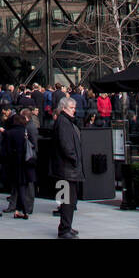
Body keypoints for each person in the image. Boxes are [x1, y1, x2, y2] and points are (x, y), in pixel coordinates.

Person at [54, 95, 83, 239]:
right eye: (72, 108)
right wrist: (74, 159)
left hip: (68, 168)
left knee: (69, 201)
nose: (74, 111)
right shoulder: (63, 122)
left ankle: (67, 227)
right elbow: (66, 145)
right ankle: (64, 229)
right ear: (64, 108)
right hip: (67, 169)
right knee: (67, 201)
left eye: (74, 108)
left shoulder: (65, 121)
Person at [4, 112, 35, 219]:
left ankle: (23, 210)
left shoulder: (9, 133)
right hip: (26, 162)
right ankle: (19, 210)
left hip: (14, 163)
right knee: (23, 186)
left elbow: (7, 150)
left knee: (18, 187)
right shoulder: (26, 131)